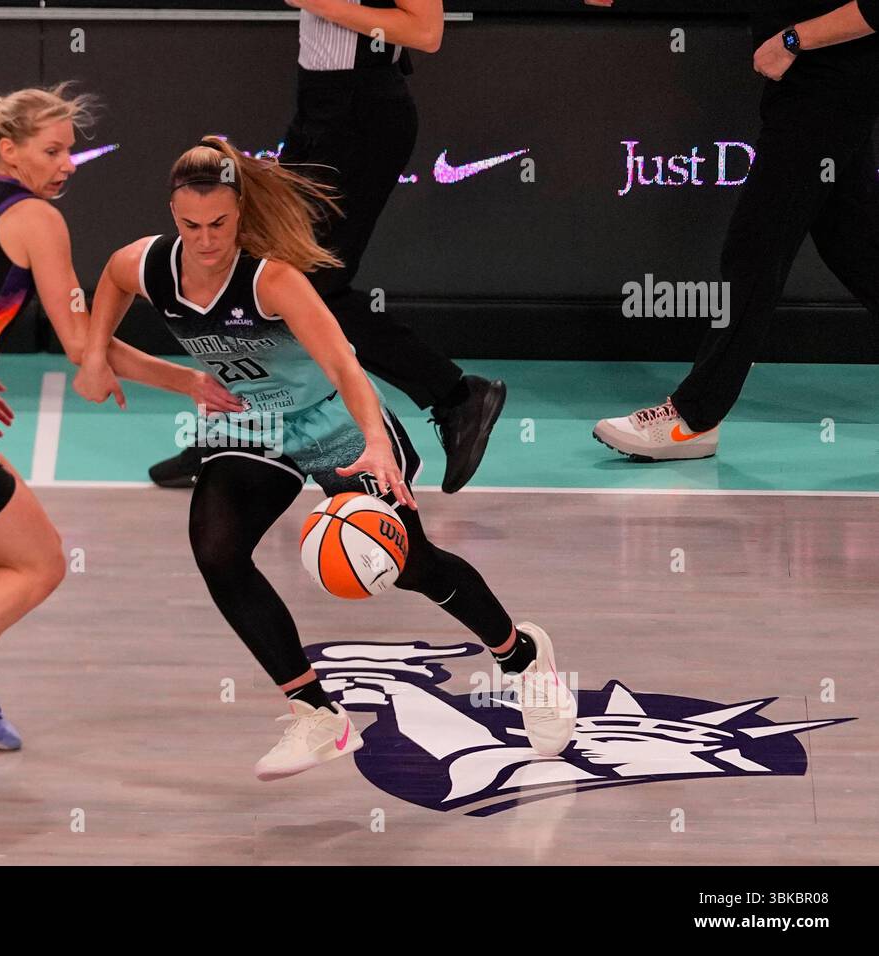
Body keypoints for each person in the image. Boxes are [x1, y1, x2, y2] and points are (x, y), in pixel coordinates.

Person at [75, 137, 575, 780]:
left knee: (410, 566)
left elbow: (343, 361)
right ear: (173, 214)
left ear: (241, 212)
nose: (205, 240)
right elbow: (110, 292)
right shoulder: (143, 265)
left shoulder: (271, 279)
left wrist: (374, 441)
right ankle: (318, 716)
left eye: (220, 225)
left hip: (337, 421)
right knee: (218, 552)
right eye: (191, 225)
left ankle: (522, 657)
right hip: (252, 423)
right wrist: (110, 359)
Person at [0, 86, 239, 764]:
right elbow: (84, 343)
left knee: (25, 553)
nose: (69, 164)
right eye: (53, 151)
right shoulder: (35, 220)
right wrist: (188, 380)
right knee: (39, 564)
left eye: (71, 151)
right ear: (9, 150)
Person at [148, 0, 506, 491]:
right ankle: (244, 430)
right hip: (319, 103)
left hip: (361, 114)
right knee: (253, 267)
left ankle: (457, 395)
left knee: (311, 290)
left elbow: (425, 32)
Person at [588, 0, 879, 460]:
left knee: (754, 250)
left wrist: (791, 40)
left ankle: (694, 418)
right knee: (857, 246)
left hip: (828, 90)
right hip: (812, 87)